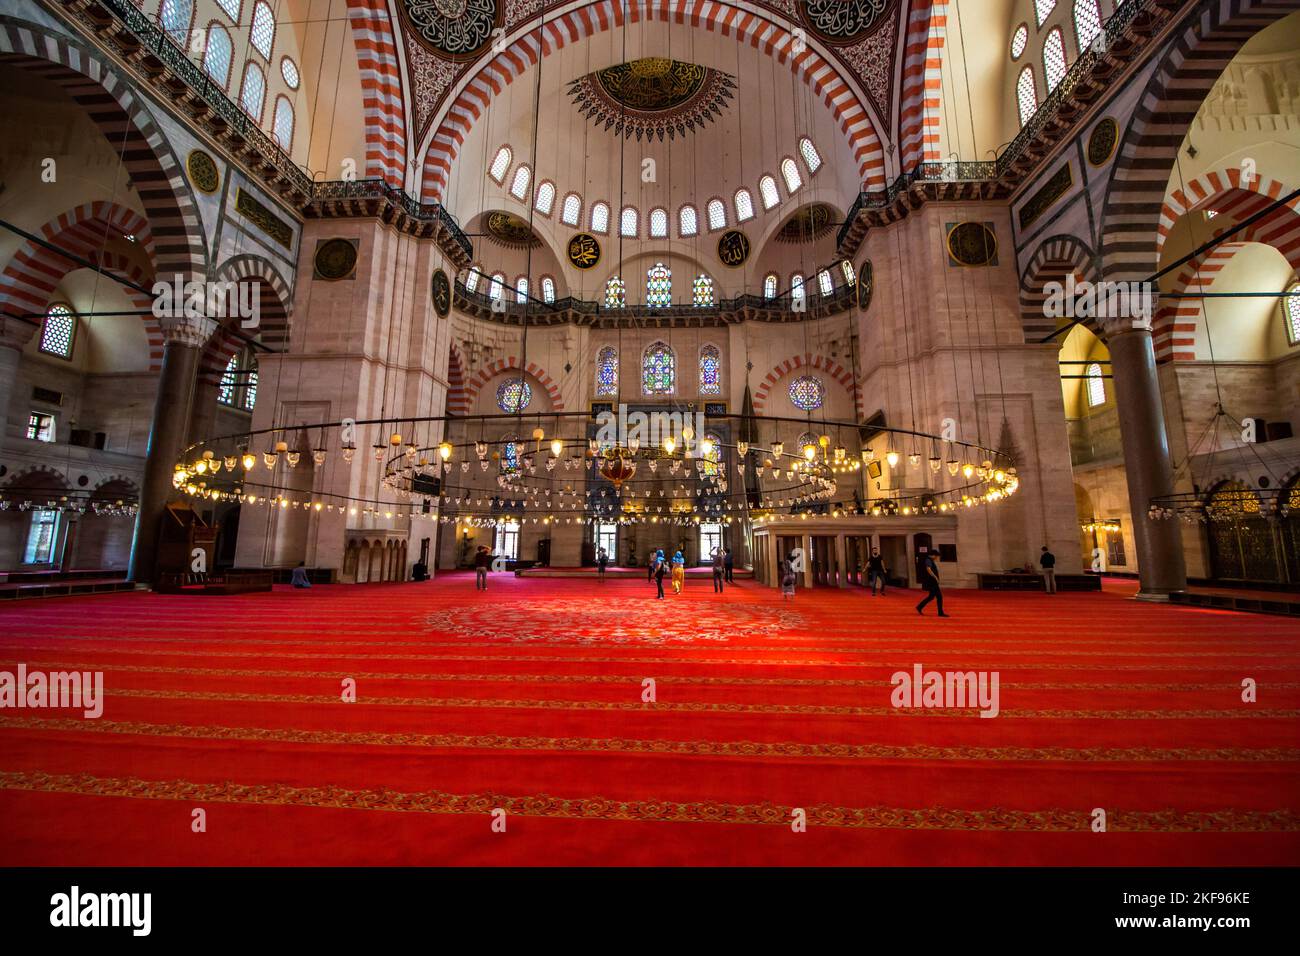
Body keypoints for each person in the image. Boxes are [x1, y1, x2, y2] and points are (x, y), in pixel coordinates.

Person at [916, 548, 948, 617]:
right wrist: (935, 577)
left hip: (931, 581)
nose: (936, 558)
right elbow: (928, 569)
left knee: (931, 597)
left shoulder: (929, 560)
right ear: (933, 555)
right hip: (932, 582)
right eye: (936, 556)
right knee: (939, 597)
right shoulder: (928, 560)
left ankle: (919, 607)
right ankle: (940, 613)